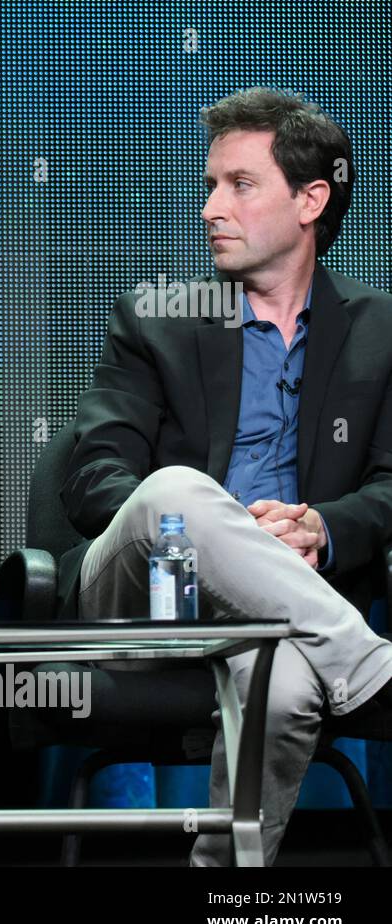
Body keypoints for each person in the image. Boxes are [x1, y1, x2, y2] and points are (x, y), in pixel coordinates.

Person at [60, 88, 392, 865]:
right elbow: (92, 474)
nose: (211, 207)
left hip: (278, 622)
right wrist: (211, 530)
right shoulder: (157, 317)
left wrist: (321, 526)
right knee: (178, 493)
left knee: (281, 688)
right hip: (142, 599)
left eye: (238, 185)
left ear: (311, 199)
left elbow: (388, 485)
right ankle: (371, 667)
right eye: (210, 185)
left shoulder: (380, 331)